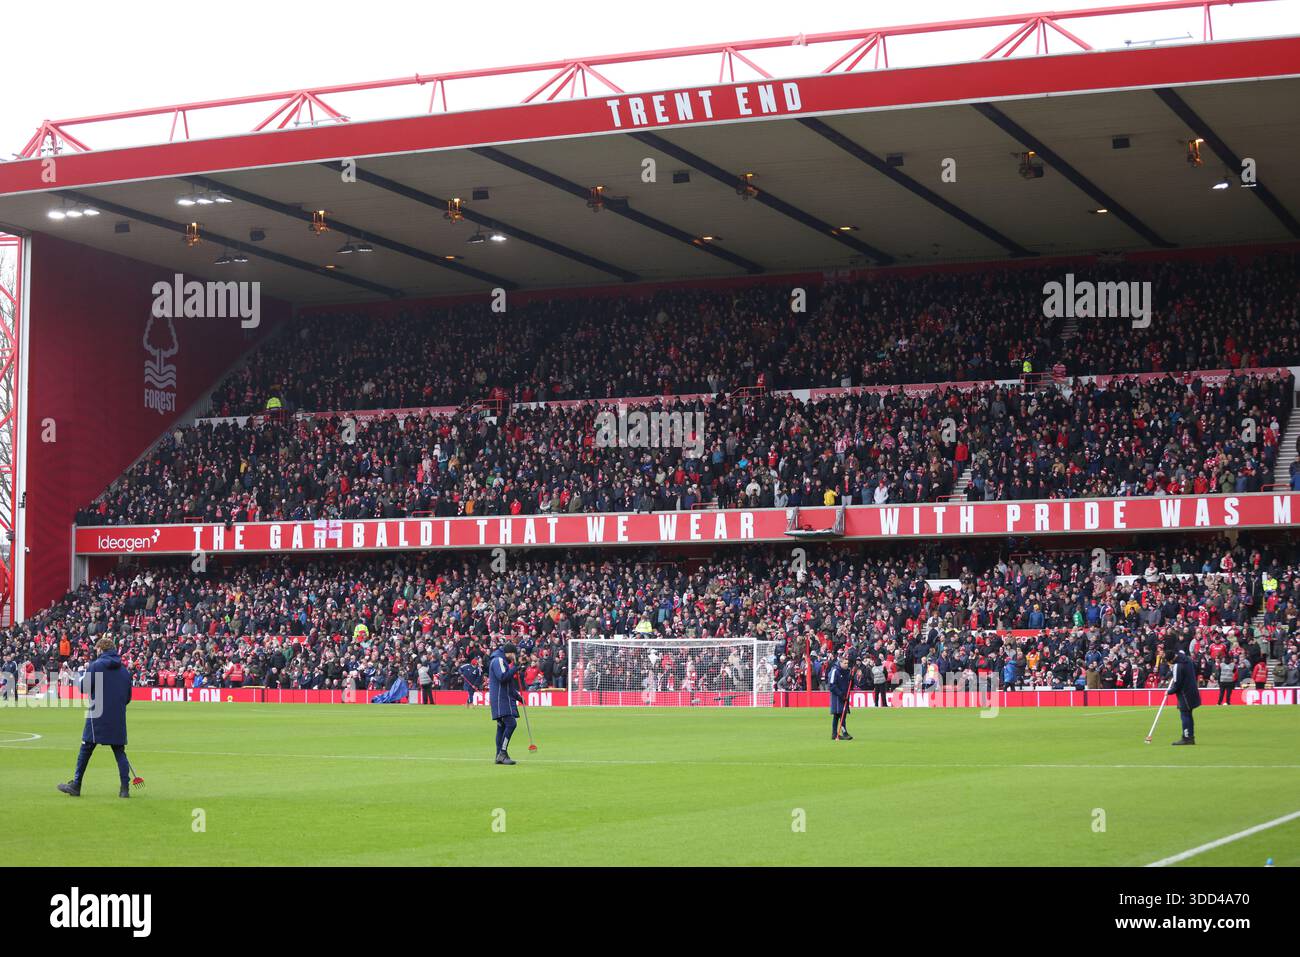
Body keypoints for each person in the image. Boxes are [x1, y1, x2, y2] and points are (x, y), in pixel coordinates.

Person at [58, 638, 133, 798]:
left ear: (100, 649)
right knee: (119, 751)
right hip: (118, 716)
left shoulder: (96, 665)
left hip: (97, 715)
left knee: (86, 749)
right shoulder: (124, 670)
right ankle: (124, 789)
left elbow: (84, 687)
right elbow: (128, 698)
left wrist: (79, 675)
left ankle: (76, 785)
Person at [488, 643, 523, 765]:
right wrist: (515, 668)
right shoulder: (499, 660)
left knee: (501, 727)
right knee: (511, 724)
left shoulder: (501, 660)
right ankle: (502, 753)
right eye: (514, 654)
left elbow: (507, 684)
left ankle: (499, 755)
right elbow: (502, 677)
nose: (514, 657)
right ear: (509, 652)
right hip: (501, 699)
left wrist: (518, 697)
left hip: (501, 698)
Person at [1165, 645, 1202, 746]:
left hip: (1185, 694)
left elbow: (1177, 684)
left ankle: (1187, 738)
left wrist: (1169, 692)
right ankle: (1190, 736)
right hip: (1193, 690)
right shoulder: (1186, 659)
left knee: (1185, 715)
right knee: (1189, 714)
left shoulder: (1177, 666)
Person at [828, 648, 853, 741]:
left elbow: (849, 685)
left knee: (842, 715)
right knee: (838, 715)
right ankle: (842, 733)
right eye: (845, 663)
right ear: (840, 663)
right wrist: (841, 694)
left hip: (844, 696)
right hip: (837, 697)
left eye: (847, 663)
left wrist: (852, 679)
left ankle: (836, 733)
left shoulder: (847, 672)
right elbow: (832, 685)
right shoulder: (835, 671)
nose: (846, 665)